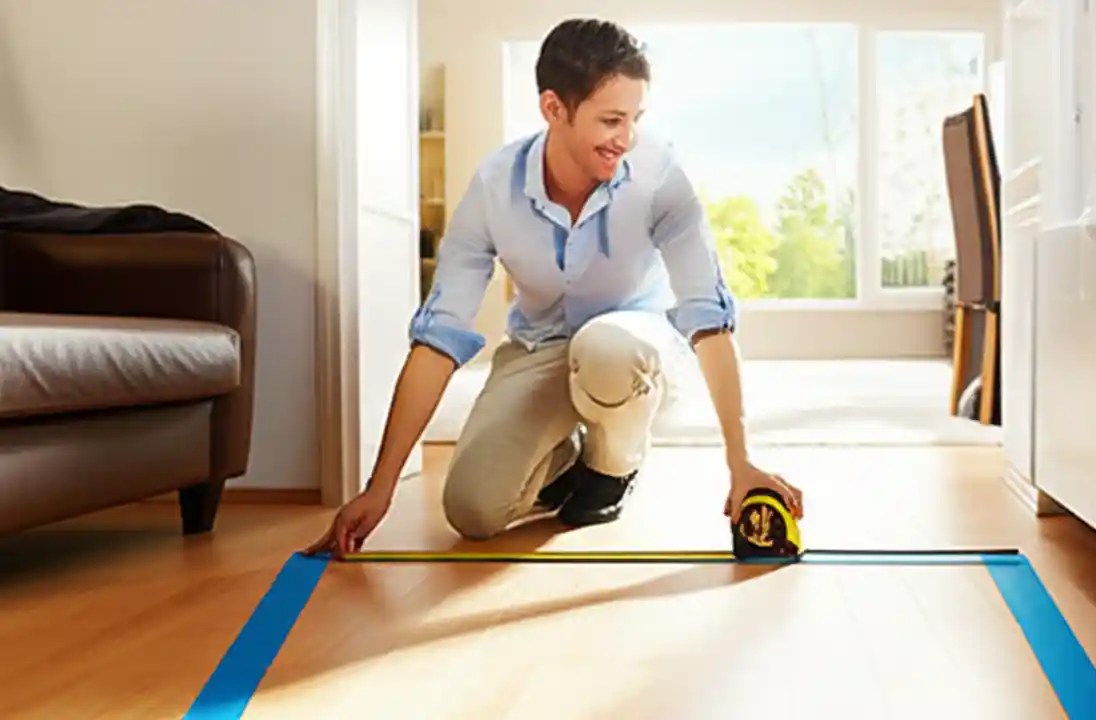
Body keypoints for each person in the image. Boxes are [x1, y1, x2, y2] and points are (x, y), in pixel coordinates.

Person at [305, 17, 802, 557]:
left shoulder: (659, 176)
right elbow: (439, 337)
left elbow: (708, 316)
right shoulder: (495, 186)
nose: (627, 138)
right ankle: (564, 462)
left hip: (633, 350)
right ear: (553, 108)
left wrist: (740, 462)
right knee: (472, 511)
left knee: (607, 348)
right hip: (539, 346)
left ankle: (611, 467)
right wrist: (379, 489)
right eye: (611, 120)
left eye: (635, 118)